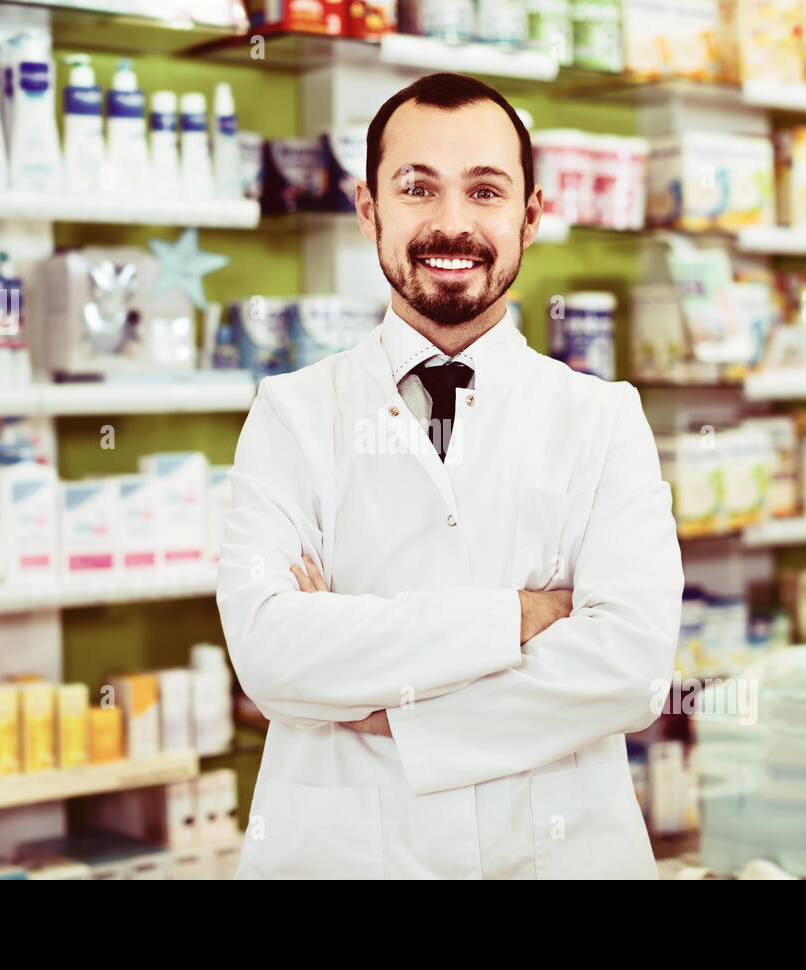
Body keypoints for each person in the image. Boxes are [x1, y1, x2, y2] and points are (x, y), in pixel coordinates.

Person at [216, 72, 684, 879]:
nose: (452, 224)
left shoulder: (604, 419)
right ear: (369, 209)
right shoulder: (290, 414)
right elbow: (270, 654)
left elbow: (629, 668)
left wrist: (386, 708)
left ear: (531, 215)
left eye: (485, 190)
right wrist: (519, 615)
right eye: (418, 188)